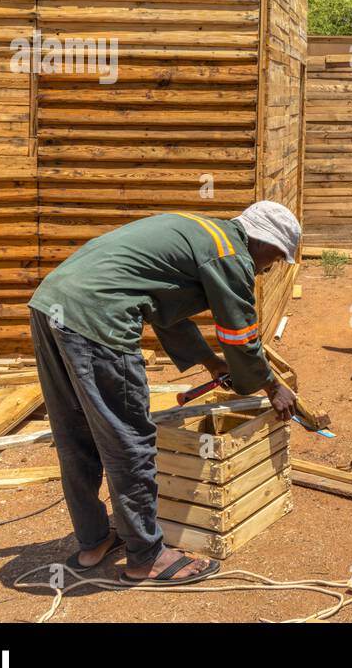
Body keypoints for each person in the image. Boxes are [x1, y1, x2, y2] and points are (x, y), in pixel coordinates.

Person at [27, 202, 302, 586]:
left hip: (51, 306)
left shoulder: (200, 233)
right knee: (129, 440)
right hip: (97, 318)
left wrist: (210, 363)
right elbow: (239, 334)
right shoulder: (231, 254)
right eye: (274, 257)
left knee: (75, 433)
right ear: (262, 241)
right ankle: (146, 558)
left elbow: (163, 311)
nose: (270, 268)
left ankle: (93, 541)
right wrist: (272, 386)